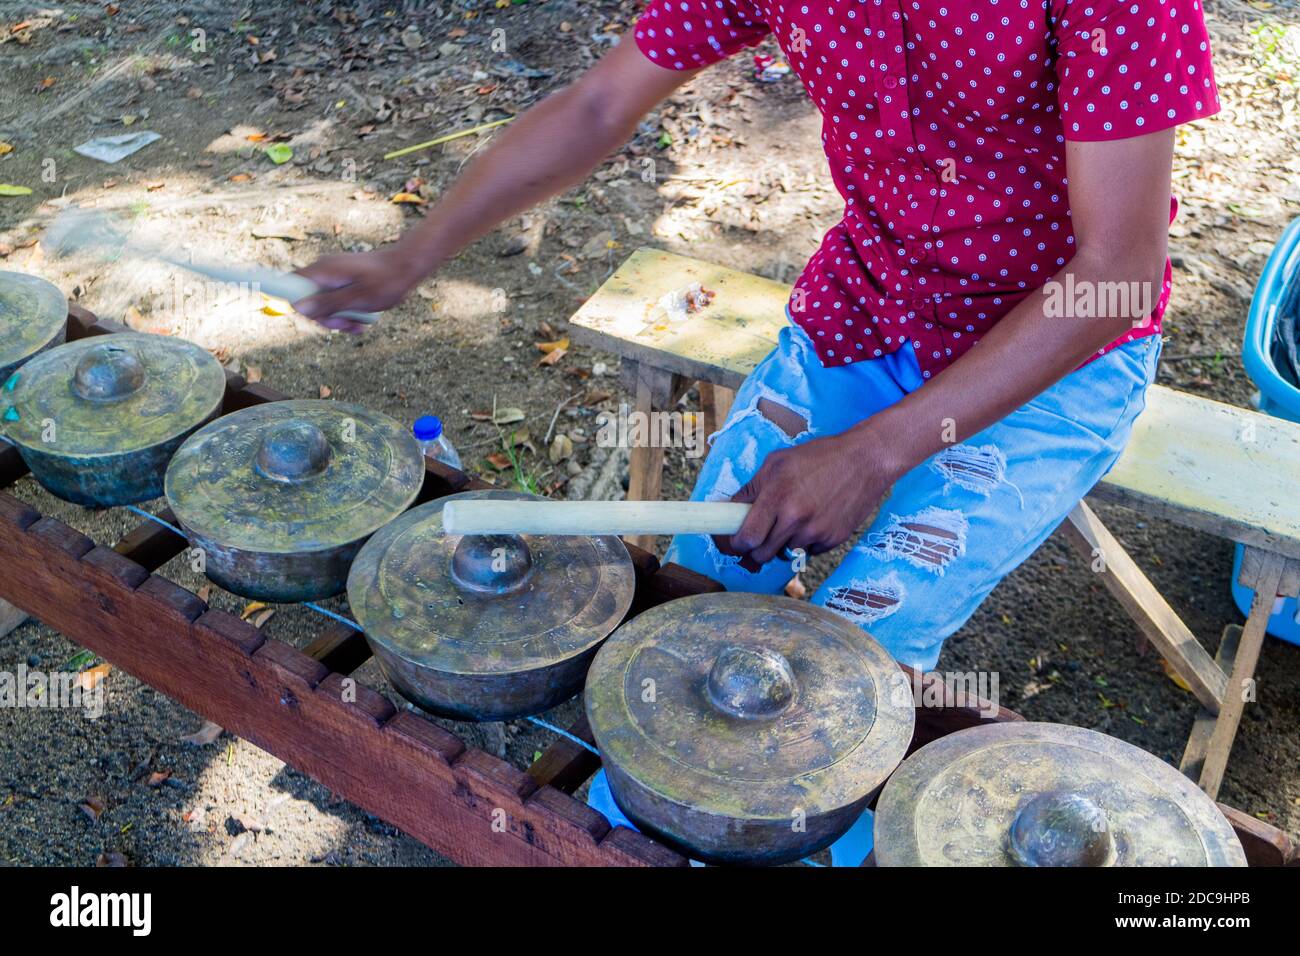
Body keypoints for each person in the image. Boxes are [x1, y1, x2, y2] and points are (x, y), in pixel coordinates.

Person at [295, 1, 1218, 862]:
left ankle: (825, 835)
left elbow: (1119, 273)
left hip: (1054, 359)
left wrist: (873, 452)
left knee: (860, 664)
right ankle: (636, 828)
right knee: (706, 592)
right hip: (871, 305)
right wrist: (413, 254)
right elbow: (600, 103)